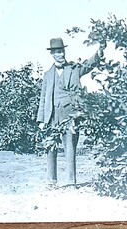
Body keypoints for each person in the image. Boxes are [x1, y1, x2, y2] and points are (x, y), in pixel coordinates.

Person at [37, 38, 100, 185]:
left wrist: (100, 51)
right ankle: (51, 181)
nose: (61, 54)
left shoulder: (74, 69)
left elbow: (89, 64)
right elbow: (43, 98)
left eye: (62, 51)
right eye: (58, 52)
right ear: (52, 54)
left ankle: (71, 182)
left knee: (70, 147)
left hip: (70, 115)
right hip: (52, 116)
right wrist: (41, 120)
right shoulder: (47, 74)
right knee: (50, 147)